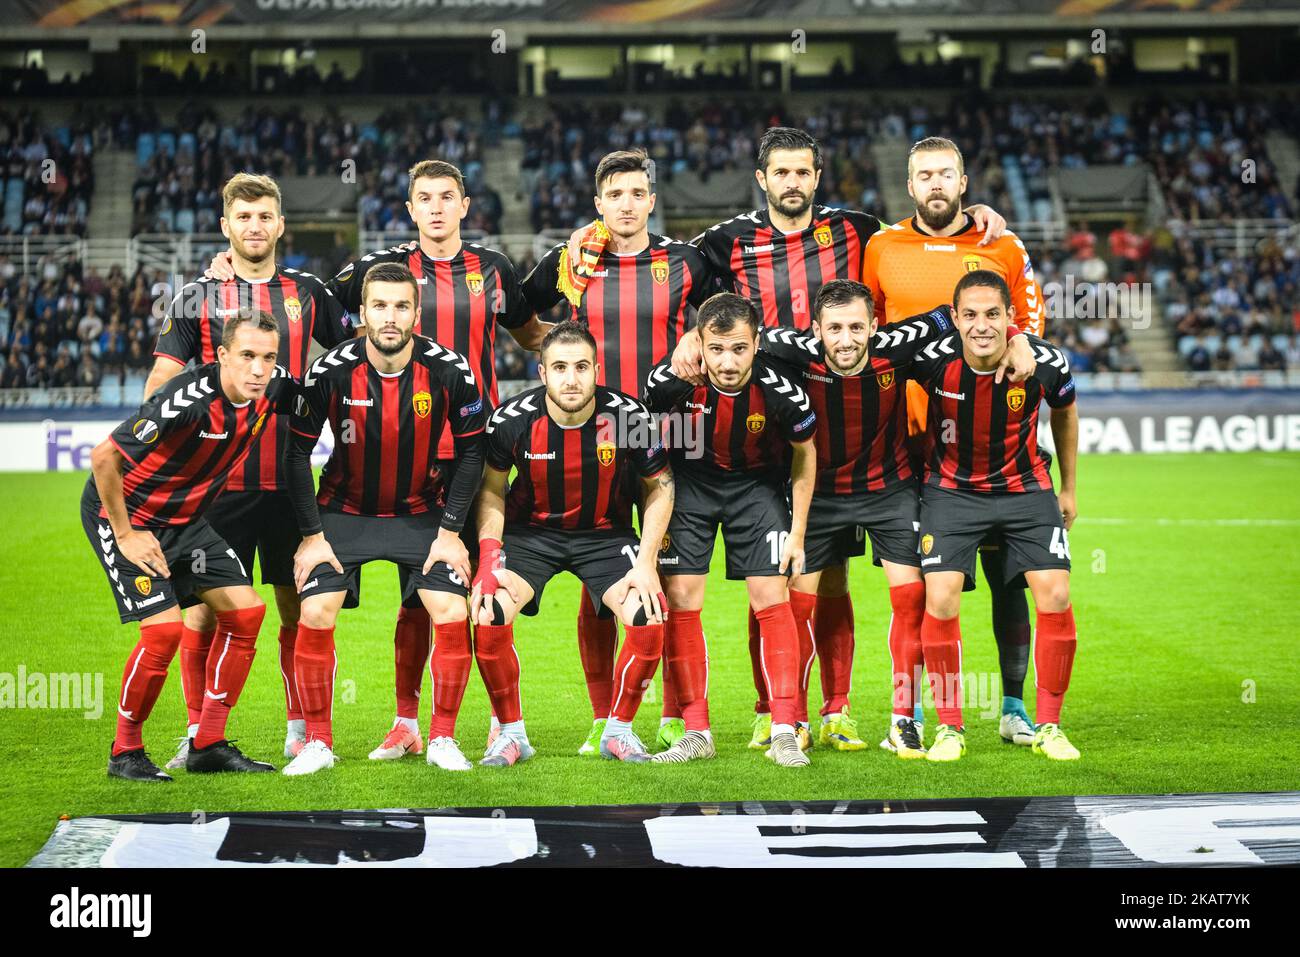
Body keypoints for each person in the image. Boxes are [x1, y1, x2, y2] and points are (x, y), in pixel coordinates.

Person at [672, 126, 1010, 752]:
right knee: (778, 583)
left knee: (837, 585)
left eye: (804, 172)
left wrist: (975, 218)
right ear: (762, 178)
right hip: (784, 432)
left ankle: (842, 709)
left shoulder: (858, 230)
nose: (793, 183)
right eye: (782, 173)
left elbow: (928, 230)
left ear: (818, 177)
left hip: (875, 437)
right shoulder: (725, 242)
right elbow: (671, 276)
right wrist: (691, 335)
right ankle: (775, 709)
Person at [209, 159, 545, 763]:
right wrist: (231, 277)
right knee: (369, 605)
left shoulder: (493, 272)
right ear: (410, 208)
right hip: (362, 481)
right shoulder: (366, 278)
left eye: (448, 197)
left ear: (465, 205)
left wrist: (579, 327)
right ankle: (393, 725)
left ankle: (500, 726)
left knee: (472, 600)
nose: (437, 207)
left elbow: (534, 335)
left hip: (461, 469)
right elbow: (303, 306)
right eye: (424, 198)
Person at [758, 279, 1036, 756]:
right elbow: (739, 335)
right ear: (816, 329)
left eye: (856, 327)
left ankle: (903, 719)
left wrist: (1019, 338)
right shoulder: (790, 347)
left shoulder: (898, 346)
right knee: (798, 606)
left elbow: (969, 317)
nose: (846, 340)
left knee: (911, 599)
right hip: (818, 494)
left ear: (874, 326)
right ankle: (798, 719)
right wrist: (688, 341)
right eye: (835, 329)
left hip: (891, 489)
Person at [147, 172, 353, 769]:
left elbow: (355, 357)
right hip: (214, 488)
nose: (255, 227)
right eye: (244, 217)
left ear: (281, 223)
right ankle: (198, 732)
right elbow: (158, 384)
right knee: (206, 609)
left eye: (265, 216)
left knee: (297, 607)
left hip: (287, 483)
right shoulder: (197, 296)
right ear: (225, 226)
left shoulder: (309, 291)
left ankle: (299, 729)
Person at [521, 148, 713, 754]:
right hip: (594, 436)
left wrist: (694, 334)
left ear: (651, 201)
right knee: (597, 582)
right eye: (614, 195)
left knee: (674, 583)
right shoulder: (572, 259)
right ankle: (608, 718)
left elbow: (732, 314)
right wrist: (552, 352)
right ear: (598, 205)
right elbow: (515, 311)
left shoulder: (686, 262)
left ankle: (682, 717)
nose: (627, 204)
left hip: (669, 433)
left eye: (637, 194)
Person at [862, 135, 1048, 750]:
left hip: (999, 444)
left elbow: (1029, 321)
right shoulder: (882, 246)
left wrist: (1020, 336)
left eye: (946, 173)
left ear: (963, 182)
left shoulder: (1002, 242)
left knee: (1009, 577)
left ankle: (1014, 706)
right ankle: (908, 712)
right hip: (909, 444)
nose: (936, 183)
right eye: (924, 175)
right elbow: (872, 336)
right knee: (918, 586)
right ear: (909, 185)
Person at [280, 262, 487, 776]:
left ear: (417, 313)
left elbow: (470, 455)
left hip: (423, 513)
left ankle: (437, 736)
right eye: (379, 306)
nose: (390, 317)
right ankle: (318, 743)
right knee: (315, 611)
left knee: (449, 609)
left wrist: (451, 533)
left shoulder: (450, 370)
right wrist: (310, 537)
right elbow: (295, 455)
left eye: (401, 306)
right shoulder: (328, 370)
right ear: (362, 313)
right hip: (344, 511)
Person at [83, 310, 292, 781]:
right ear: (221, 355)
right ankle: (125, 752)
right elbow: (104, 458)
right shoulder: (188, 400)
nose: (259, 370)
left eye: (268, 358)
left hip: (187, 520)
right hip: (127, 515)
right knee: (162, 633)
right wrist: (126, 534)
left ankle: (208, 744)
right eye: (247, 357)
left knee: (246, 611)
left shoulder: (274, 388)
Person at [469, 320, 675, 765]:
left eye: (582, 366)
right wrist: (488, 559)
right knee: (488, 610)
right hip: (532, 536)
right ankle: (511, 733)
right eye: (559, 367)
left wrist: (646, 563)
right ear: (541, 372)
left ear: (597, 369)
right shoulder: (512, 420)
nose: (571, 378)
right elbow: (490, 490)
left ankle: (619, 731)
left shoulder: (628, 417)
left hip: (605, 534)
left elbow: (661, 485)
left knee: (650, 614)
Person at [909, 270, 1081, 763]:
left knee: (1057, 592)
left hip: (1025, 488)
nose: (982, 325)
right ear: (955, 319)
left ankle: (1048, 724)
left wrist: (1069, 486)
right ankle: (949, 727)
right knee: (939, 598)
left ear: (1010, 318)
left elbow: (1066, 412)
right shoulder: (931, 359)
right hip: (951, 491)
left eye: (992, 315)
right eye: (970, 315)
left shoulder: (1045, 362)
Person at [644, 292, 818, 767]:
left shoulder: (782, 390)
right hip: (690, 488)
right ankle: (697, 731)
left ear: (757, 343)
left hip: (757, 490)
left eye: (739, 348)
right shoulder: (669, 382)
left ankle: (785, 727)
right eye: (716, 349)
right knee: (681, 599)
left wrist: (798, 533)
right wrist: (654, 521)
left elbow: (806, 456)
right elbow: (647, 451)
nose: (727, 362)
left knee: (772, 597)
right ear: (698, 342)